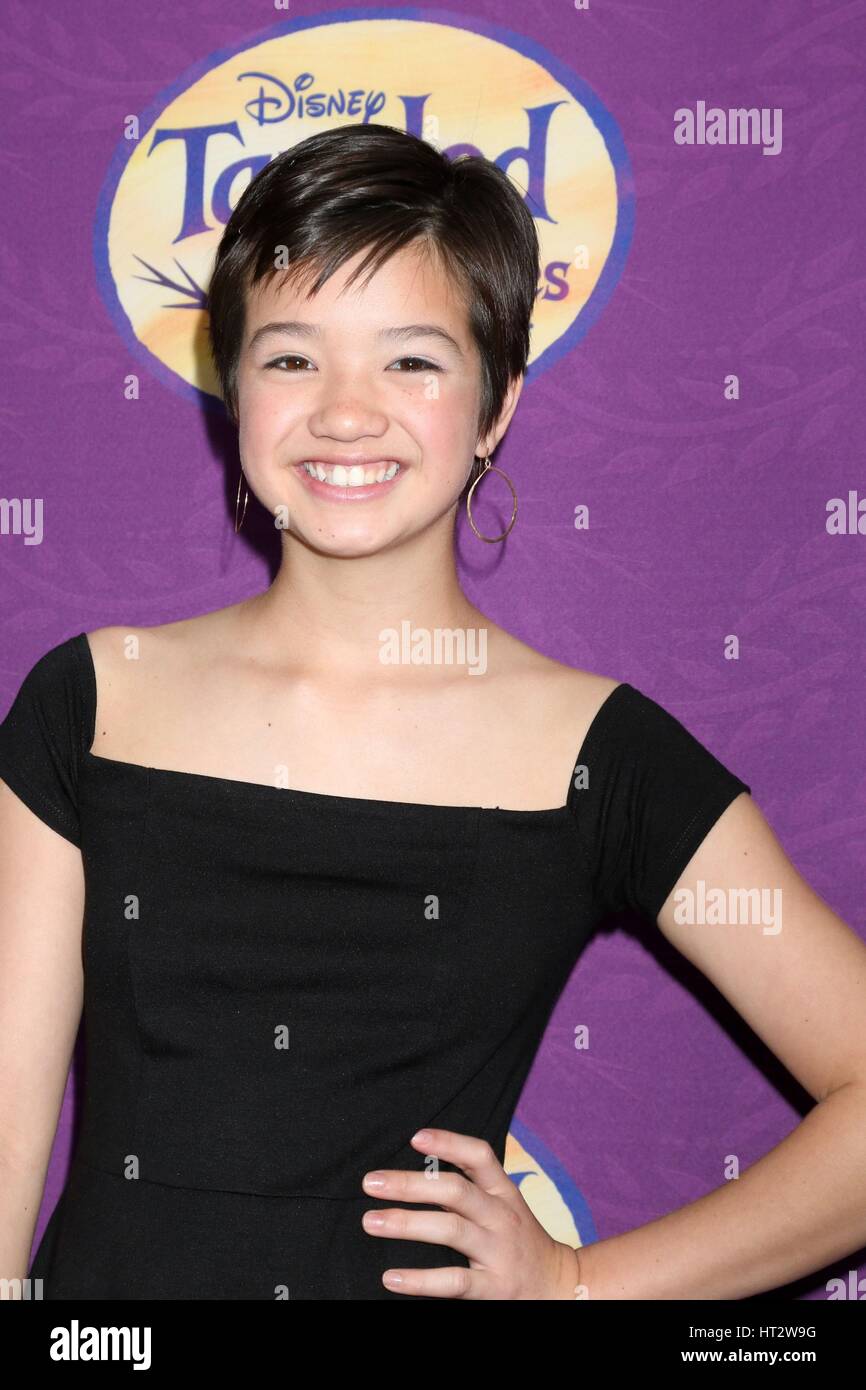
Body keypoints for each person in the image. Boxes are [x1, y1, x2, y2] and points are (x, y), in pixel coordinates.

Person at [1, 123, 865, 1301]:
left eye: (409, 360)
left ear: (495, 403)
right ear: (234, 387)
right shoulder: (90, 701)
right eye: (291, 358)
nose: (345, 413)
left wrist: (574, 1286)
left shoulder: (594, 753)